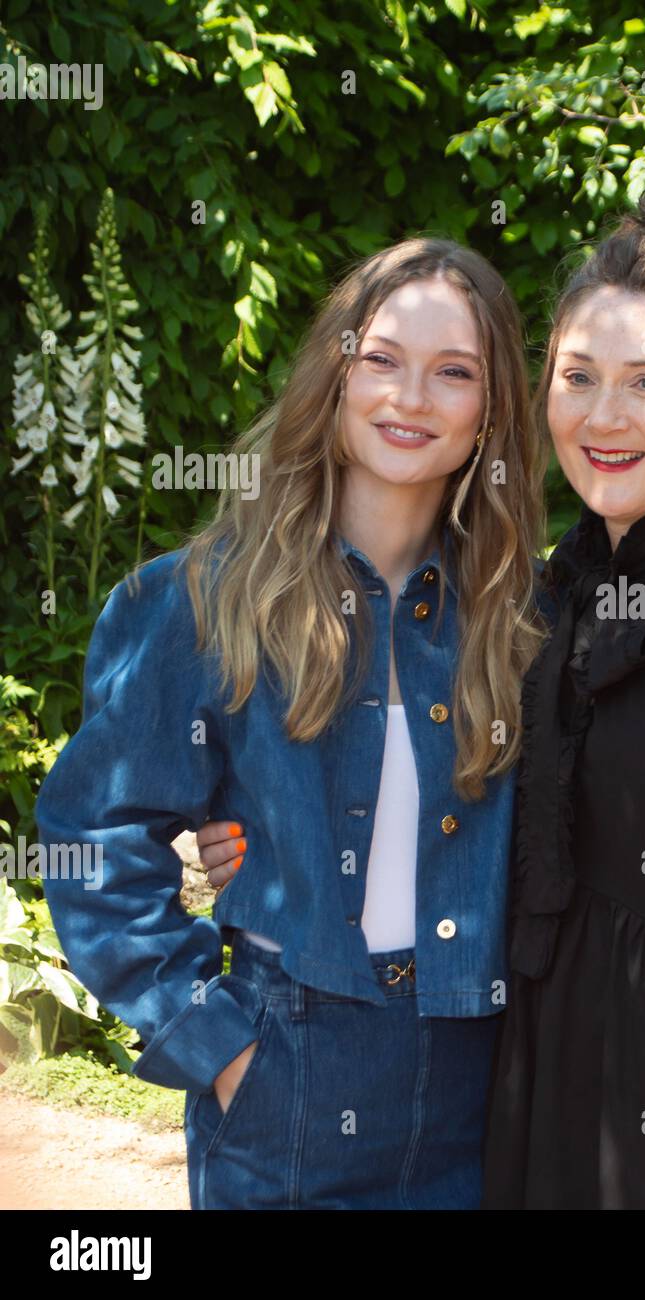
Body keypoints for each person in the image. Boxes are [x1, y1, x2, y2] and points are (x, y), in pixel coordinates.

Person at [198, 189, 645, 1210]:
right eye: (577, 377)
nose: (603, 417)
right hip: (564, 1080)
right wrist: (255, 834)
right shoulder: (548, 588)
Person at [36, 236, 547, 1209]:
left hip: (485, 1093)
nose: (411, 397)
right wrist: (217, 1043)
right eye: (383, 360)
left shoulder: (524, 623)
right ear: (336, 373)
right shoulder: (205, 602)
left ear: (490, 412)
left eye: (454, 373)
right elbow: (90, 837)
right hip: (289, 1080)